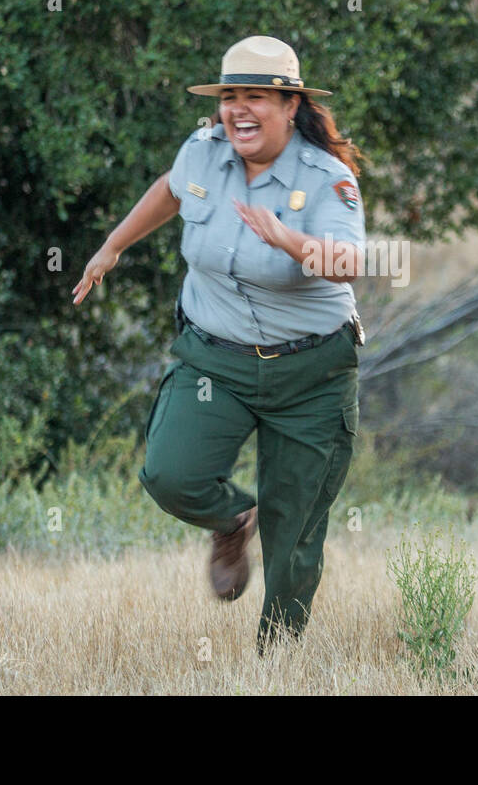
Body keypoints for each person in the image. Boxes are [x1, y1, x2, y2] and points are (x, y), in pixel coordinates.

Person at [72, 35, 366, 654]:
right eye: (230, 96)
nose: (238, 109)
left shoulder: (327, 179)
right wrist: (114, 245)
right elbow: (172, 189)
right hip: (216, 358)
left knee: (294, 534)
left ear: (291, 105)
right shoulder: (204, 152)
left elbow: (348, 263)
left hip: (310, 371)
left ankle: (274, 664)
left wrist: (288, 240)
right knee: (171, 475)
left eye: (254, 96)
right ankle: (232, 520)